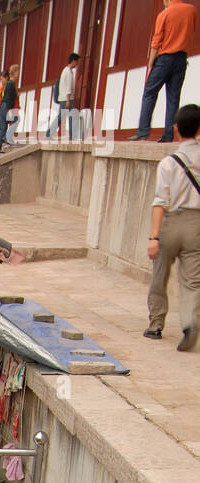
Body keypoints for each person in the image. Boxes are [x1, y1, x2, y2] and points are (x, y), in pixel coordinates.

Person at [145, 104, 200, 351]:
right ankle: (189, 323)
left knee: (160, 275)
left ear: (176, 130)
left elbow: (160, 202)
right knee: (192, 281)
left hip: (171, 223)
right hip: (196, 225)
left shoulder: (169, 163)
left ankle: (156, 324)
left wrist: (154, 237)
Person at [130, 2, 196, 144]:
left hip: (164, 58)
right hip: (181, 59)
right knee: (173, 98)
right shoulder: (191, 11)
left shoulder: (164, 14)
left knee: (149, 93)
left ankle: (143, 132)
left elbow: (156, 41)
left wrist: (150, 65)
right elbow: (191, 31)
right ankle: (168, 135)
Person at [46, 53, 81, 140]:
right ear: (73, 61)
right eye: (77, 62)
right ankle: (73, 136)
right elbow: (68, 87)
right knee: (72, 116)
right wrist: (69, 100)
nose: (77, 64)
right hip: (67, 99)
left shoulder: (65, 71)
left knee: (61, 116)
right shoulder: (68, 72)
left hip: (63, 98)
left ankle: (49, 133)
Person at [0, 65, 20, 153]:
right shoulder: (11, 84)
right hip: (6, 106)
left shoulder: (8, 84)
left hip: (3, 106)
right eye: (17, 72)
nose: (18, 74)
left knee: (3, 127)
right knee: (13, 121)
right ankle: (3, 141)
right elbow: (9, 97)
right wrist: (9, 109)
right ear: (14, 72)